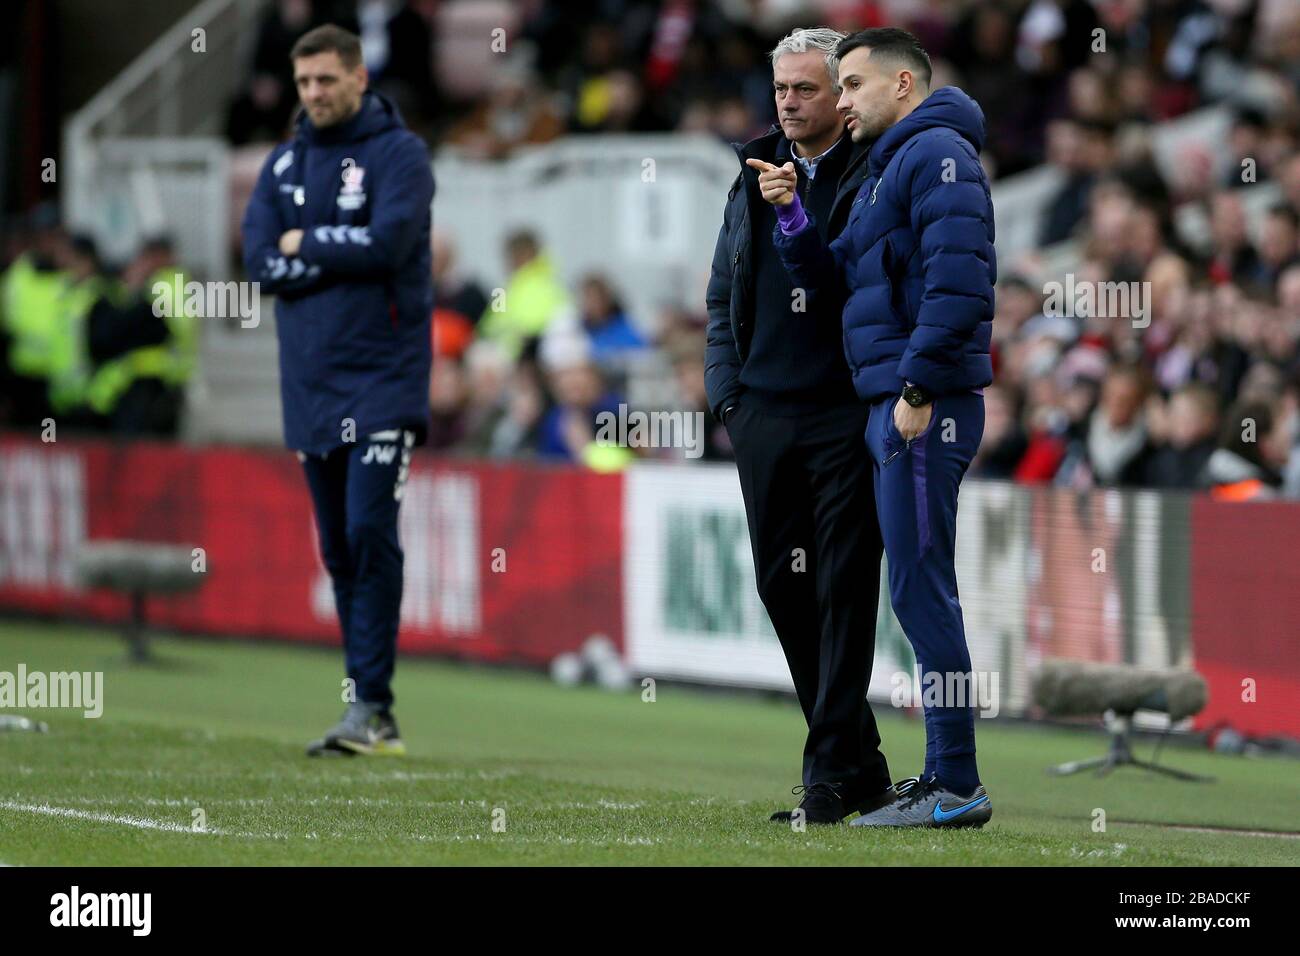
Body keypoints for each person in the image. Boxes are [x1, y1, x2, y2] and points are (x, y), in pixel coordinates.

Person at [751, 27, 995, 827]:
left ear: (902, 84)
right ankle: (945, 779)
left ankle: (954, 782)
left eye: (850, 86)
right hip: (898, 401)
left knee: (924, 592)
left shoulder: (936, 157)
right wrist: (790, 218)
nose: (841, 101)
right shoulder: (898, 162)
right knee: (916, 588)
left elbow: (961, 283)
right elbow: (833, 278)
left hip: (921, 405)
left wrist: (919, 388)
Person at [706, 27, 904, 825]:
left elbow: (855, 284)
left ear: (843, 95)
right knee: (783, 588)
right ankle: (863, 764)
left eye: (807, 90)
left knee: (845, 591)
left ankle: (826, 780)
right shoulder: (750, 176)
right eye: (782, 89)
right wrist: (729, 396)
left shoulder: (877, 171)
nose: (789, 103)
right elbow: (723, 294)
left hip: (843, 414)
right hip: (763, 414)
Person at [240, 23, 434, 757]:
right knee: (338, 552)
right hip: (311, 385)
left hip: (384, 380)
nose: (315, 94)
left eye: (327, 80)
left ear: (358, 77)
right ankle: (368, 709)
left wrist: (304, 243)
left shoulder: (400, 155)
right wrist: (328, 249)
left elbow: (388, 243)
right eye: (304, 84)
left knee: (366, 531)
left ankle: (372, 705)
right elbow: (259, 261)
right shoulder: (283, 164)